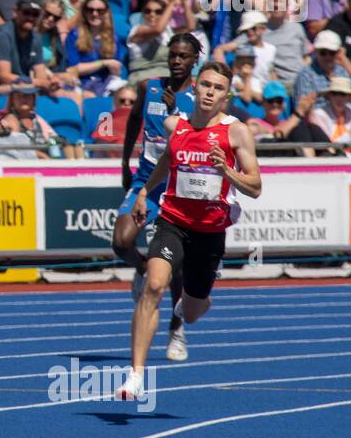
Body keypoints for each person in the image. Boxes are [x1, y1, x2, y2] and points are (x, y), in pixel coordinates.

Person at [116, 60, 263, 400]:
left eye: (218, 89)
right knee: (154, 286)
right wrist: (142, 192)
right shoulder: (176, 125)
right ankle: (135, 375)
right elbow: (167, 159)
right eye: (206, 85)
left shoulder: (236, 131)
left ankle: (193, 303)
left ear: (226, 96)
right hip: (173, 220)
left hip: (209, 231)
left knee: (193, 312)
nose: (210, 93)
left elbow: (255, 186)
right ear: (195, 87)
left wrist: (226, 170)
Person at [112, 32, 200, 352]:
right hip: (146, 182)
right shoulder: (148, 88)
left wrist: (177, 111)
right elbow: (134, 120)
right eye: (173, 55)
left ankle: (176, 330)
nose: (177, 61)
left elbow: (199, 141)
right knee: (121, 241)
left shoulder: (200, 97)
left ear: (195, 61)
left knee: (174, 266)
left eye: (184, 56)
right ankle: (140, 268)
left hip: (180, 188)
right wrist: (125, 163)